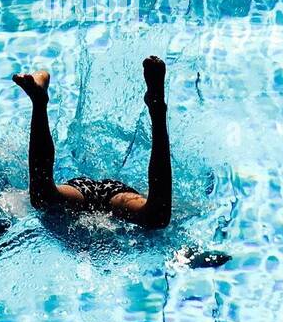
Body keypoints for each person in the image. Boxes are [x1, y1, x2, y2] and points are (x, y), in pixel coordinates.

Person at [11, 56, 171, 230]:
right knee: (42, 198)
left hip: (111, 196)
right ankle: (39, 100)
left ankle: (157, 108)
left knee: (158, 217)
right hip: (96, 193)